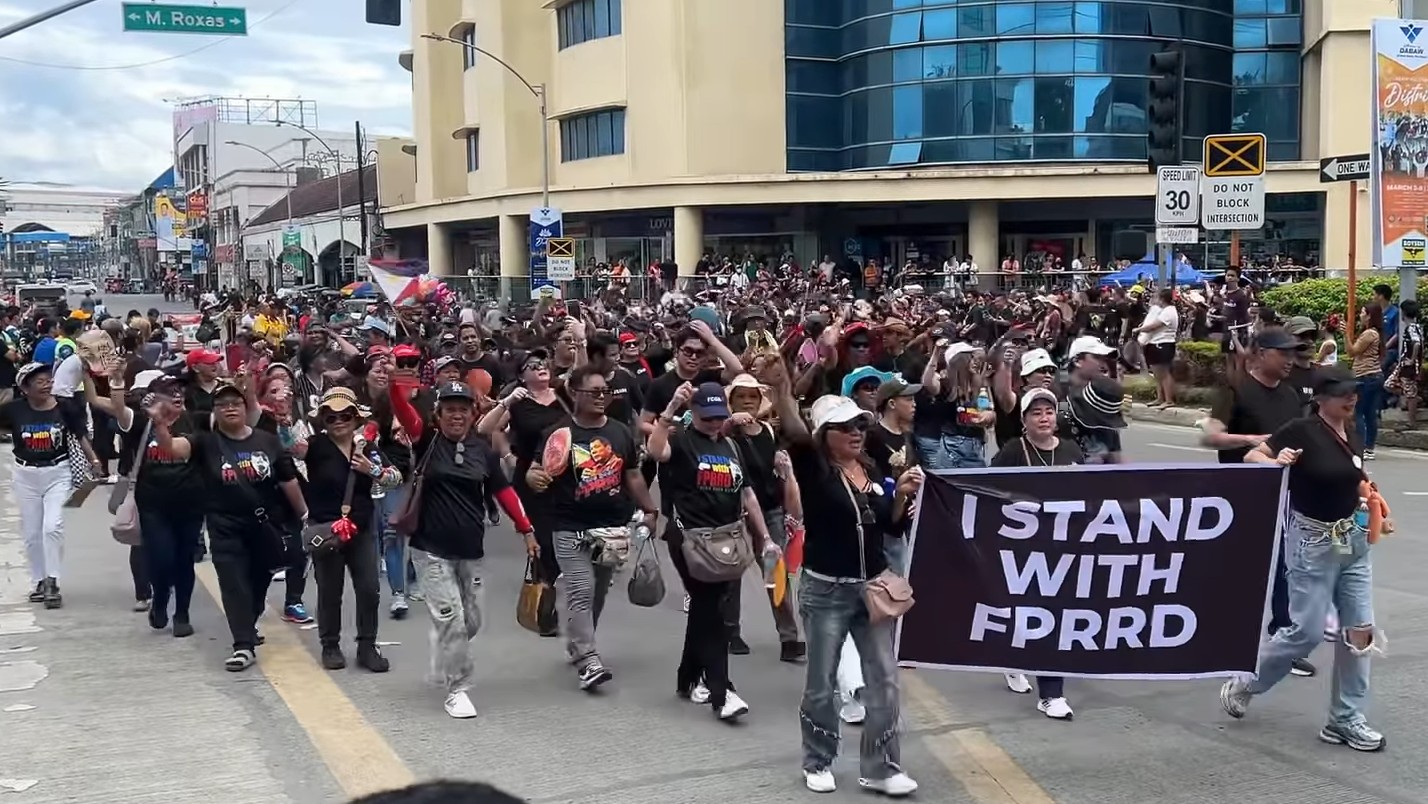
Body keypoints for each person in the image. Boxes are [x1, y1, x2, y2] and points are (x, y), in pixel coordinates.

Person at [768, 366, 919, 796]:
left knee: (885, 681)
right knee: (821, 683)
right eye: (843, 427)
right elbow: (796, 434)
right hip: (826, 590)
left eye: (858, 424)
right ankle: (817, 759)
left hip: (871, 591)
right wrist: (781, 390)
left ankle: (882, 767)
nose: (855, 432)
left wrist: (903, 492)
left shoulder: (870, 470)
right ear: (825, 435)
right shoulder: (815, 471)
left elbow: (890, 529)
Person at [1221, 367, 1386, 753]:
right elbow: (1252, 456)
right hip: (1311, 542)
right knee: (1306, 633)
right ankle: (1248, 679)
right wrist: (1278, 461)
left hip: (1353, 540)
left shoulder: (1353, 430)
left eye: (1354, 393)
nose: (1351, 399)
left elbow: (1350, 474)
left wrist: (1369, 496)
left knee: (1359, 632)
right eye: (1343, 394)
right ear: (1321, 398)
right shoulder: (1301, 430)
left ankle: (1345, 720)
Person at [389, 380, 536, 719]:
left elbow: (503, 492)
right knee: (453, 621)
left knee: (470, 622)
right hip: (430, 550)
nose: (457, 415)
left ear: (473, 414)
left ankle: (444, 646)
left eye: (463, 409)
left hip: (470, 550)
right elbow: (401, 410)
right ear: (438, 415)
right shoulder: (426, 440)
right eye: (450, 409)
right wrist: (395, 382)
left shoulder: (482, 450)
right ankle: (458, 689)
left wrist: (526, 528)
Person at [153, 379, 308, 672]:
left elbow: (287, 480)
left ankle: (248, 624)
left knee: (258, 582)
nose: (230, 409)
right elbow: (173, 449)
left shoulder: (267, 441)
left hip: (264, 527)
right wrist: (161, 426)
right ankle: (243, 645)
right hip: (224, 526)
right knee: (233, 583)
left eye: (235, 403)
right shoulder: (205, 442)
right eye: (222, 404)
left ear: (245, 407)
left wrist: (304, 515)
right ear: (215, 411)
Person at [647, 380, 772, 723]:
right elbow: (656, 451)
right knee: (713, 614)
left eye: (720, 417)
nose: (715, 424)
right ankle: (722, 691)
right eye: (707, 418)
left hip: (727, 539)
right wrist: (670, 409)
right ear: (695, 414)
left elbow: (747, 494)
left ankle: (687, 679)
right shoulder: (682, 440)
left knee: (706, 610)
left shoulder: (730, 445)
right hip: (691, 539)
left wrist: (765, 537)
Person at [526, 365, 657, 690]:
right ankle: (588, 659)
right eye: (594, 392)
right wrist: (533, 477)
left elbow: (633, 474)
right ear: (575, 393)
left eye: (606, 392)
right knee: (581, 589)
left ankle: (580, 644)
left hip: (611, 529)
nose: (602, 397)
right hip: (570, 526)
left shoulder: (620, 432)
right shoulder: (559, 434)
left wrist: (650, 508)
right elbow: (534, 469)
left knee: (597, 592)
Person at [1200, 327, 1318, 676]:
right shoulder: (1234, 389)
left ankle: (1282, 637)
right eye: (1284, 354)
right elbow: (1210, 436)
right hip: (1239, 493)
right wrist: (1253, 439)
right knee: (1237, 570)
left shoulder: (1291, 394)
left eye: (1294, 354)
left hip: (1282, 491)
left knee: (1286, 564)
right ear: (1262, 353)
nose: (1290, 361)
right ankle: (1220, 635)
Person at [991, 387, 1081, 719]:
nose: (1044, 418)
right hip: (1024, 548)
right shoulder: (1014, 451)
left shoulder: (1071, 450)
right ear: (1024, 420)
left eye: (1048, 412)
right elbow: (986, 489)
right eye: (1035, 413)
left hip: (1064, 548)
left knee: (1053, 616)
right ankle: (1033, 676)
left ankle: (1047, 688)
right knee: (1028, 612)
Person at [304, 386, 399, 673]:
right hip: (327, 528)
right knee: (330, 591)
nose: (338, 421)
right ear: (323, 421)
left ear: (356, 417)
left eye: (345, 415)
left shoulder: (367, 448)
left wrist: (372, 469)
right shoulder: (314, 445)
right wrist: (281, 416)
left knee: (370, 589)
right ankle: (330, 645)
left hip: (362, 527)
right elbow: (288, 444)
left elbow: (394, 478)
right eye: (330, 417)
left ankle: (367, 645)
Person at [0, 362, 101, 609]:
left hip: (58, 472)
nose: (47, 385)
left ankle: (52, 580)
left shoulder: (65, 408)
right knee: (33, 533)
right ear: (25, 388)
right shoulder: (13, 410)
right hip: (25, 475)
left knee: (52, 526)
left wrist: (94, 461)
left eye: (48, 380)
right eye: (40, 382)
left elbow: (80, 435)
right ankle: (38, 581)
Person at [1347, 304, 1384, 460]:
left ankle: (1362, 447)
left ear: (1369, 316)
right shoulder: (1375, 333)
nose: (1360, 315)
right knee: (1370, 413)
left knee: (1359, 412)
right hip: (1374, 375)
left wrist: (1345, 335)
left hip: (1364, 375)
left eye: (1362, 313)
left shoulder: (1369, 333)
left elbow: (1352, 351)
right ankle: (1369, 448)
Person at [1136, 288, 1179, 407]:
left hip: (1163, 343)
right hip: (1155, 343)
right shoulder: (1164, 310)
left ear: (1162, 299)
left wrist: (1139, 330)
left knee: (1164, 373)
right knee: (1157, 374)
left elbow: (1155, 326)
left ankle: (1169, 400)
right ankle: (1160, 398)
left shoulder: (1169, 311)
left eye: (1157, 297)